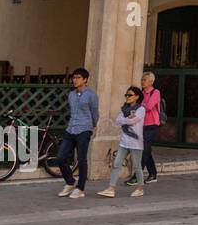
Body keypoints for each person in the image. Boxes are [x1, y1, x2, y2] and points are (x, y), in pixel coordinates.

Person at [56, 67, 99, 200]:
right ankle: (70, 182)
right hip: (71, 129)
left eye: (78, 78)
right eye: (74, 78)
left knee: (81, 160)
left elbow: (95, 113)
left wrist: (91, 127)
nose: (75, 80)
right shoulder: (71, 95)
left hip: (84, 130)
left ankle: (80, 188)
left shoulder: (91, 95)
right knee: (60, 157)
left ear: (85, 79)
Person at [98, 87, 145, 198]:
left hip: (136, 142)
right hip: (124, 141)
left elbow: (133, 120)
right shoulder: (124, 109)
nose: (127, 97)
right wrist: (127, 119)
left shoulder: (141, 109)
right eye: (126, 95)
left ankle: (140, 188)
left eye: (130, 95)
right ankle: (111, 188)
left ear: (137, 97)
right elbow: (118, 121)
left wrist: (127, 120)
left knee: (137, 166)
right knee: (116, 164)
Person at [129, 71, 161, 185]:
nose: (142, 81)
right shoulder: (141, 93)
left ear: (151, 81)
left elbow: (149, 107)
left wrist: (138, 104)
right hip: (141, 125)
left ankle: (137, 176)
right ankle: (153, 174)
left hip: (151, 124)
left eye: (144, 79)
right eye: (142, 79)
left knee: (144, 150)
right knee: (147, 150)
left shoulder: (155, 92)